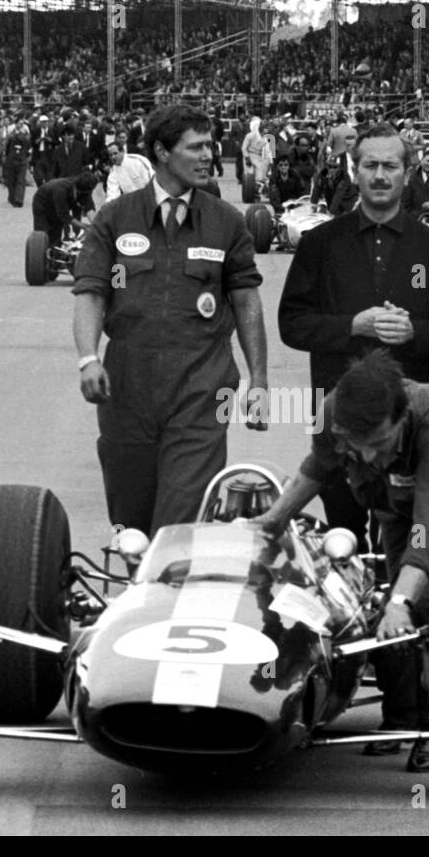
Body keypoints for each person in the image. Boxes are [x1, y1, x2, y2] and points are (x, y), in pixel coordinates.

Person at [250, 352, 429, 772]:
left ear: (402, 417)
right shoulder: (332, 412)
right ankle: (399, 720)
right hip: (393, 493)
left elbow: (428, 533)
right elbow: (317, 468)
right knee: (392, 591)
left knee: (426, 604)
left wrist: (401, 604)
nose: (369, 454)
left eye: (379, 443)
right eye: (359, 445)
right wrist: (270, 521)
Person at [72, 104, 269, 535]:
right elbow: (90, 292)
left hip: (202, 388)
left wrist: (258, 380)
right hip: (126, 388)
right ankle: (145, 596)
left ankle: (169, 590)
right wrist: (88, 358)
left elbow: (246, 303)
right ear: (161, 152)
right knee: (132, 522)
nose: (208, 156)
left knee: (180, 519)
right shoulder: (115, 218)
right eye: (195, 147)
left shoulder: (226, 223)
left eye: (209, 146)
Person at [33, 172, 97, 243]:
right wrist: (84, 226)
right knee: (42, 236)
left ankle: (54, 247)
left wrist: (96, 226)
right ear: (77, 189)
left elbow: (89, 208)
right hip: (42, 204)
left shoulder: (85, 189)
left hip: (59, 206)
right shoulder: (61, 189)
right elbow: (64, 216)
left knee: (55, 238)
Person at [3, 120, 32, 207]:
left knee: (19, 180)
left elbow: (28, 149)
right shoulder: (11, 135)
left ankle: (18, 199)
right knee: (13, 181)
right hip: (14, 160)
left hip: (19, 161)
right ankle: (14, 198)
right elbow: (7, 148)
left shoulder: (25, 136)